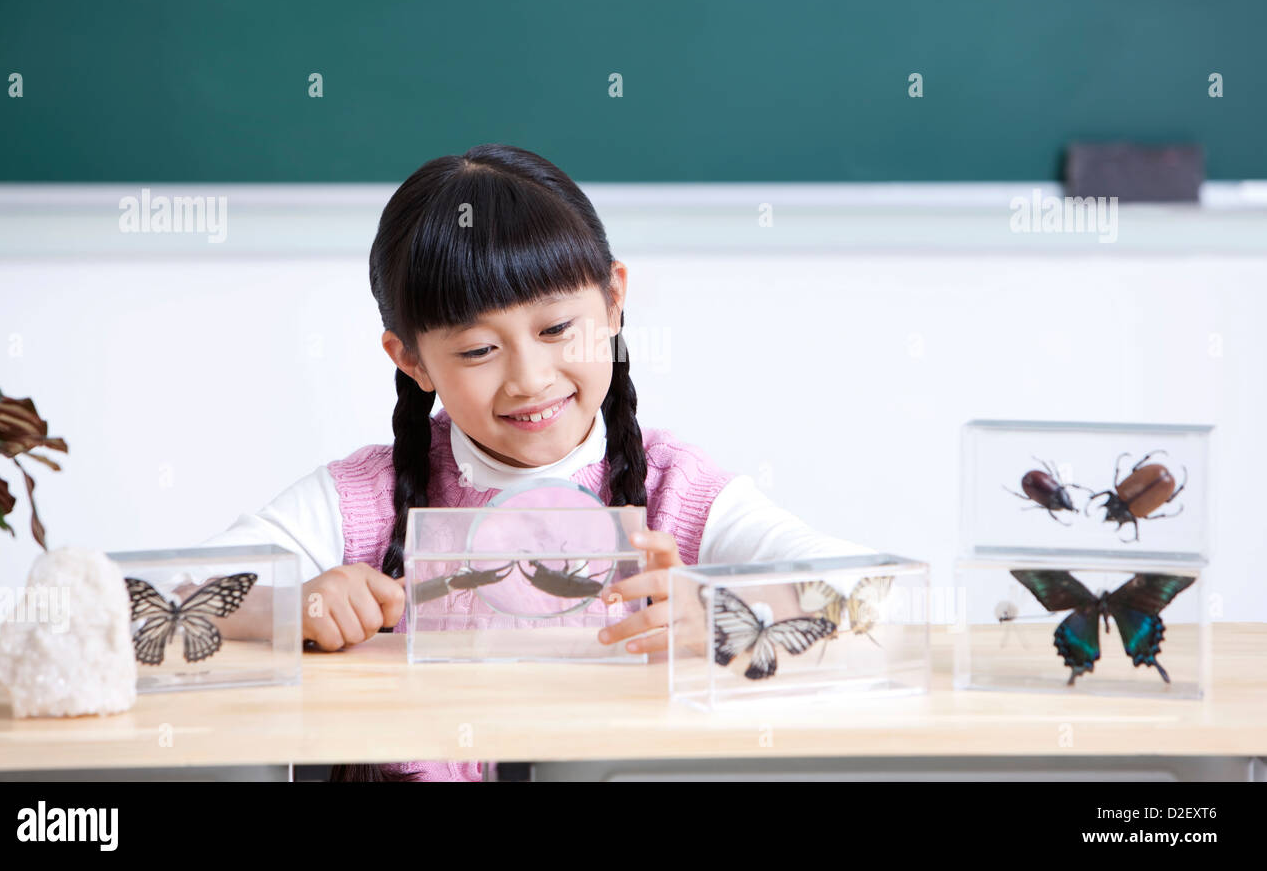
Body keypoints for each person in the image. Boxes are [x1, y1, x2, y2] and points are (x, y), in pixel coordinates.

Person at [198, 143, 875, 781]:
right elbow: (153, 604)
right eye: (476, 351)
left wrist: (724, 608)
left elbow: (871, 594)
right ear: (410, 359)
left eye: (556, 330)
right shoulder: (363, 499)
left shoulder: (677, 491)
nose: (528, 378)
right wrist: (289, 608)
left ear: (613, 302)